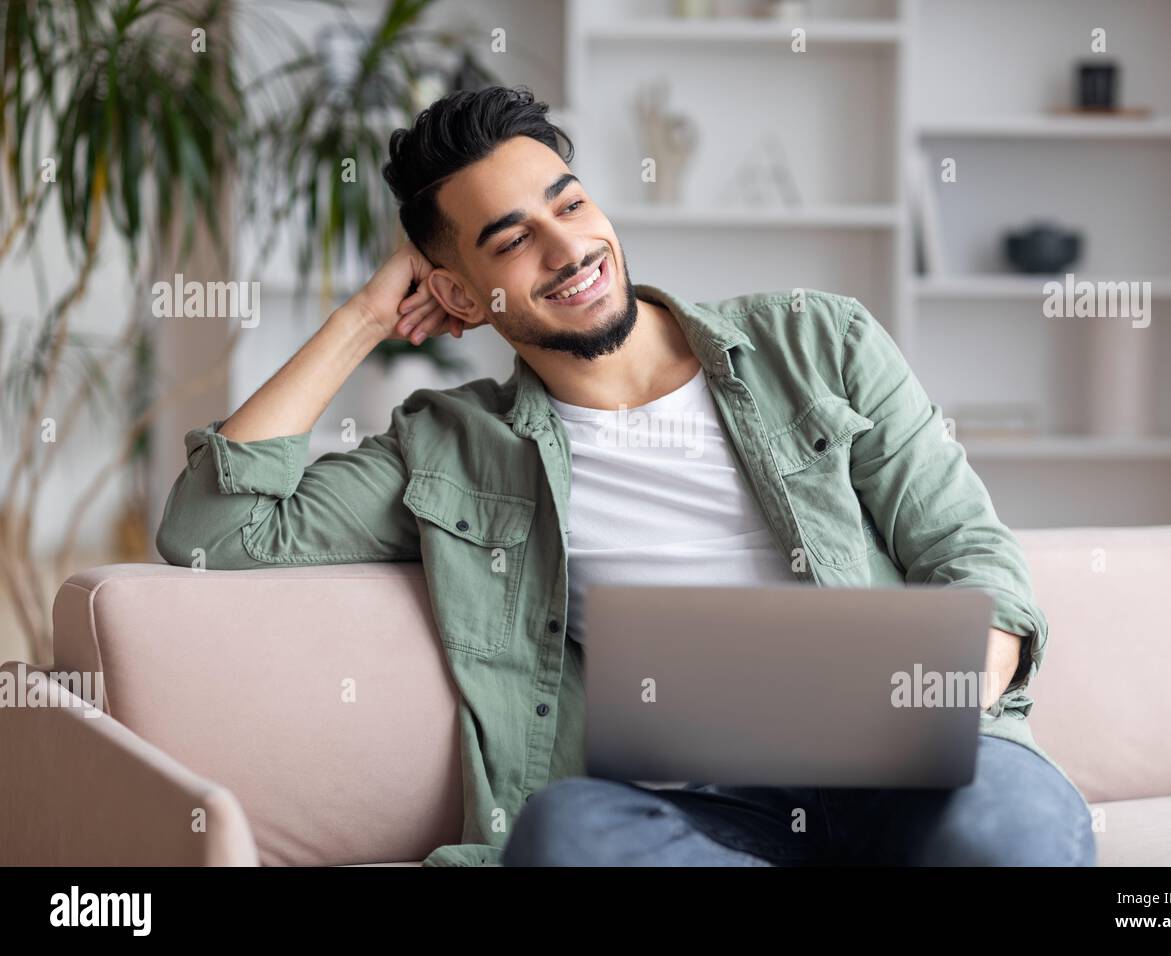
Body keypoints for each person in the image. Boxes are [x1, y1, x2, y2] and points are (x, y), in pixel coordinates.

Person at [155, 85, 1095, 867]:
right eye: (510, 241)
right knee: (563, 834)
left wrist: (930, 695)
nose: (568, 252)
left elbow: (972, 559)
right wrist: (363, 318)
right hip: (707, 817)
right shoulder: (451, 445)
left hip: (918, 766)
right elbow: (216, 532)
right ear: (453, 293)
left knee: (1005, 834)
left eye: (569, 204)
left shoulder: (818, 341)